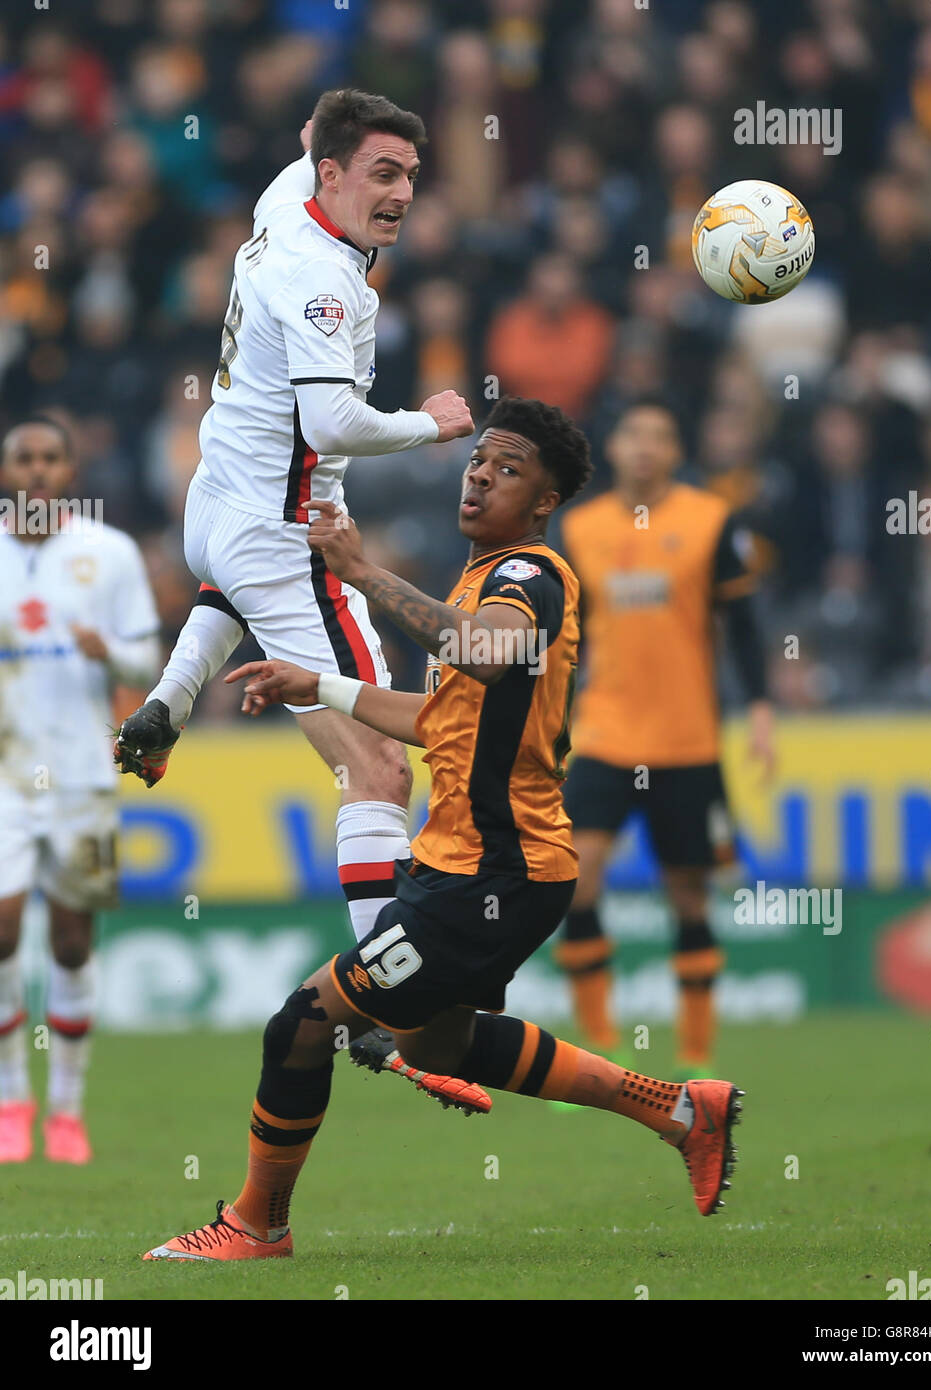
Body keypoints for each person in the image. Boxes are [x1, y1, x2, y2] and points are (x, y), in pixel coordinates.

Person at [141, 396, 743, 1262]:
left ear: (543, 501)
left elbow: (488, 651)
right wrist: (324, 687)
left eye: (508, 469)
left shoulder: (530, 578)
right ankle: (681, 1108)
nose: (480, 476)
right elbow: (441, 720)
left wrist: (361, 573)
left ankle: (255, 1225)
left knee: (305, 1021)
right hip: (468, 865)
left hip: (491, 878)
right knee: (440, 1041)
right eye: (478, 461)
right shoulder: (479, 583)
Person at [114, 89, 482, 1112]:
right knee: (376, 764)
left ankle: (167, 704)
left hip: (220, 505)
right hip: (289, 533)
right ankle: (385, 1003)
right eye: (382, 174)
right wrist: (431, 422)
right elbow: (334, 417)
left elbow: (305, 138)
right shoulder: (324, 280)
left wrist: (176, 699)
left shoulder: (287, 195)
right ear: (330, 175)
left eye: (411, 175)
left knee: (353, 740)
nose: (402, 194)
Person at [556, 398, 774, 1076]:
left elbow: (740, 626)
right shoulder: (579, 528)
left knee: (688, 892)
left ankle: (696, 1053)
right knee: (575, 876)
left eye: (660, 435)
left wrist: (760, 706)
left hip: (687, 739)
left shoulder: (710, 520)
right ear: (612, 449)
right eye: (633, 434)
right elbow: (565, 639)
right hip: (604, 733)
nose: (645, 446)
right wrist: (550, 724)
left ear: (676, 452)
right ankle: (597, 1047)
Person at [0, 416, 160, 1163]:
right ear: (7, 472)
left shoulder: (110, 552)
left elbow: (146, 659)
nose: (37, 470)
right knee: (0, 935)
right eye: (24, 458)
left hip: (82, 774)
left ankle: (65, 1108)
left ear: (70, 471)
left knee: (69, 944)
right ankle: (11, 1100)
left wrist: (111, 651)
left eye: (51, 459)